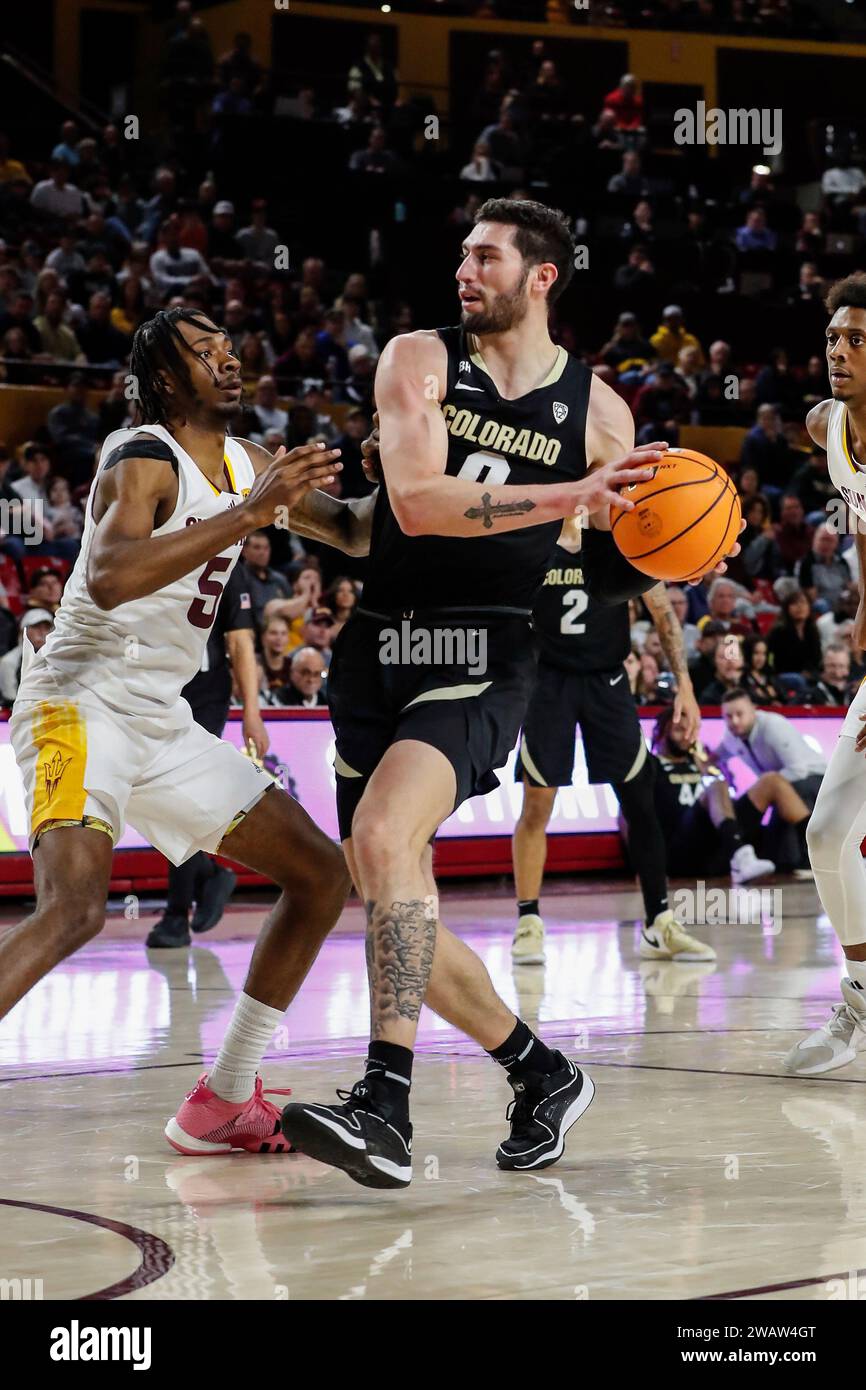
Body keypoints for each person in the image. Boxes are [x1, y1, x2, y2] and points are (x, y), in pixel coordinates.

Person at [278, 197, 741, 1188]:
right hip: (376, 643)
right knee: (390, 886)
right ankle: (540, 1071)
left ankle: (384, 1104)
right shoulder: (417, 358)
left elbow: (621, 562)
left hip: (486, 649)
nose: (464, 271)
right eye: (461, 255)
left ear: (540, 276)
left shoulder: (600, 414)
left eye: (485, 257)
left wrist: (688, 547)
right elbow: (405, 506)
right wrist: (293, 511)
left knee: (381, 842)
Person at [0, 306, 384, 1159]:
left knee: (322, 875)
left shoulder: (251, 462)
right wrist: (254, 515)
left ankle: (226, 1097)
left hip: (161, 719)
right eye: (204, 351)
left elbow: (355, 530)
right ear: (167, 380)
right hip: (80, 701)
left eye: (231, 345)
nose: (229, 358)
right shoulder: (141, 453)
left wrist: (398, 472)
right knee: (73, 909)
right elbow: (106, 576)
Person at [510, 519, 713, 967]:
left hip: (608, 682)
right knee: (537, 803)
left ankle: (659, 922)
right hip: (549, 685)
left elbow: (662, 612)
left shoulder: (622, 542)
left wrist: (685, 686)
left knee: (641, 800)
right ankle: (528, 920)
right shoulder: (534, 540)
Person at [778, 274, 866, 1073]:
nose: (838, 353)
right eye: (834, 339)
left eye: (858, 342)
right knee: (828, 829)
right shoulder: (824, 426)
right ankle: (862, 1002)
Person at [146, 560, 269, 949]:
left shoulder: (229, 562)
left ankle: (175, 915)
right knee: (155, 797)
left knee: (177, 794)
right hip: (153, 690)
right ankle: (207, 873)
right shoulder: (152, 548)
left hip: (204, 693)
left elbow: (240, 642)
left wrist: (252, 709)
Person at [649, 706, 775, 885]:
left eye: (689, 731)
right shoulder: (651, 766)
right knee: (715, 786)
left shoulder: (701, 762)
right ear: (660, 733)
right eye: (678, 730)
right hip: (679, 846)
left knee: (771, 781)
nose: (686, 736)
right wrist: (643, 866)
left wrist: (708, 769)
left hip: (713, 841)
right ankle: (741, 857)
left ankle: (818, 856)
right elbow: (626, 817)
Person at [714, 688, 825, 872]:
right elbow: (715, 757)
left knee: (789, 791)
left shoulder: (773, 726)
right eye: (728, 716)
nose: (734, 721)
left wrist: (768, 785)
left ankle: (809, 857)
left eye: (739, 714)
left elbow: (799, 770)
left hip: (814, 779)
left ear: (753, 711)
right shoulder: (730, 737)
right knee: (775, 796)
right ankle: (788, 861)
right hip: (784, 782)